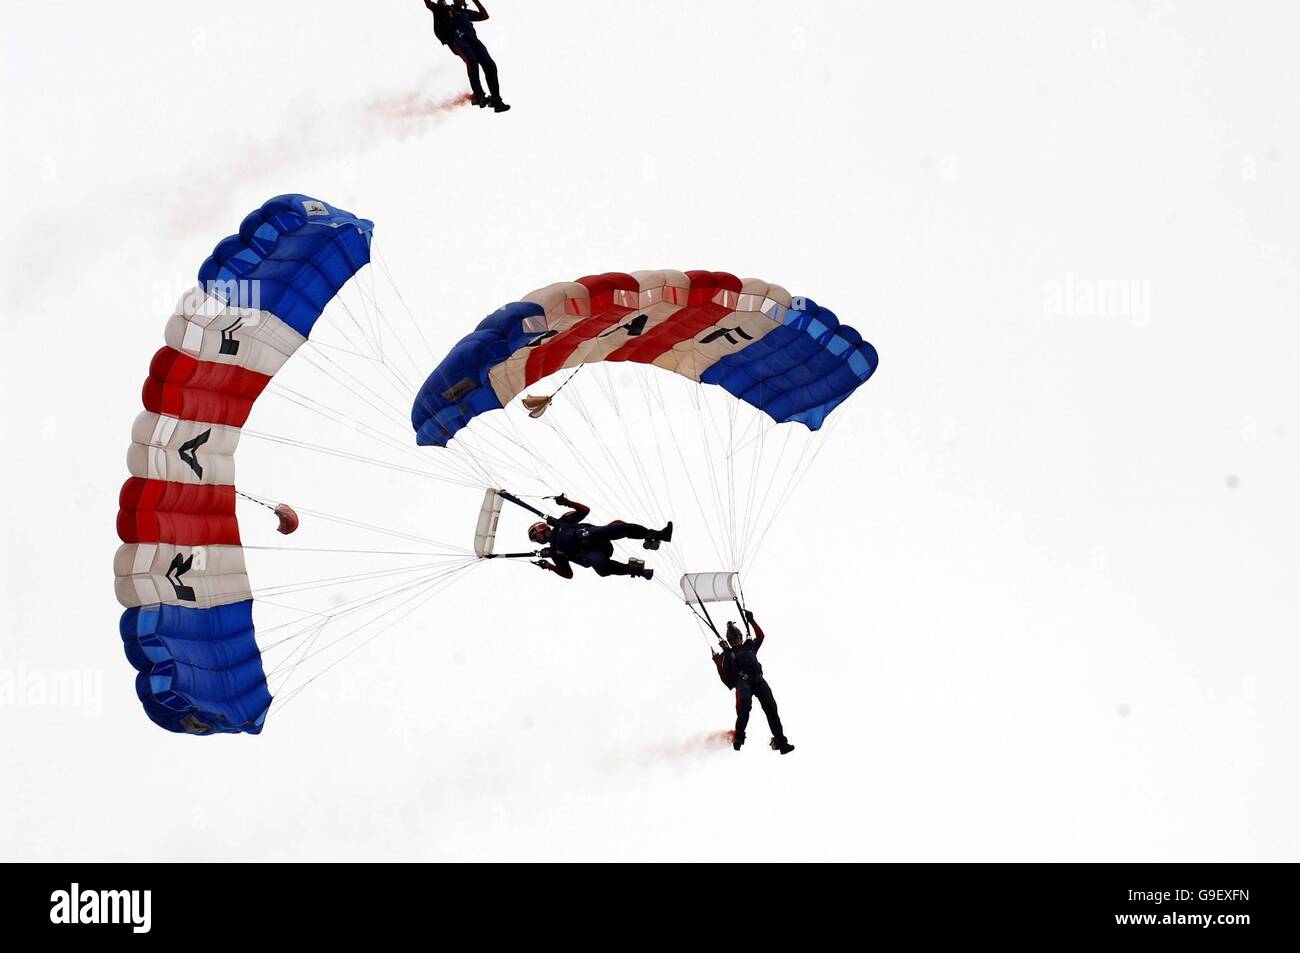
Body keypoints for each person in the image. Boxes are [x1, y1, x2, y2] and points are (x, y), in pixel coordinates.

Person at [530, 494, 671, 581]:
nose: (537, 540)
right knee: (601, 568)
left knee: (618, 528)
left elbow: (584, 510)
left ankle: (657, 535)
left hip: (592, 535)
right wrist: (550, 566)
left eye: (535, 536)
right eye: (535, 539)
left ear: (542, 529)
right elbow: (568, 574)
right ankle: (637, 571)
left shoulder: (562, 523)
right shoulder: (554, 552)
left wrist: (567, 502)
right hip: (591, 553)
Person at [713, 610, 794, 754]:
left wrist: (752, 620)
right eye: (732, 640)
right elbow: (725, 678)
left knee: (771, 707)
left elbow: (761, 636)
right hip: (743, 683)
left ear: (741, 637)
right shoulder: (727, 656)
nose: (735, 641)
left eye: (737, 638)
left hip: (759, 680)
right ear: (729, 642)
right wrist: (718, 663)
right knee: (744, 706)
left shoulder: (749, 646)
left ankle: (780, 742)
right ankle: (738, 737)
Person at [425, 0, 510, 112]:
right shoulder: (444, 9)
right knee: (472, 62)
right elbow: (429, 4)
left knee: (490, 65)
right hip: (458, 40)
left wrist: (476, 0)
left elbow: (484, 16)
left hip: (474, 41)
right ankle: (478, 94)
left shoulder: (465, 12)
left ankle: (496, 100)